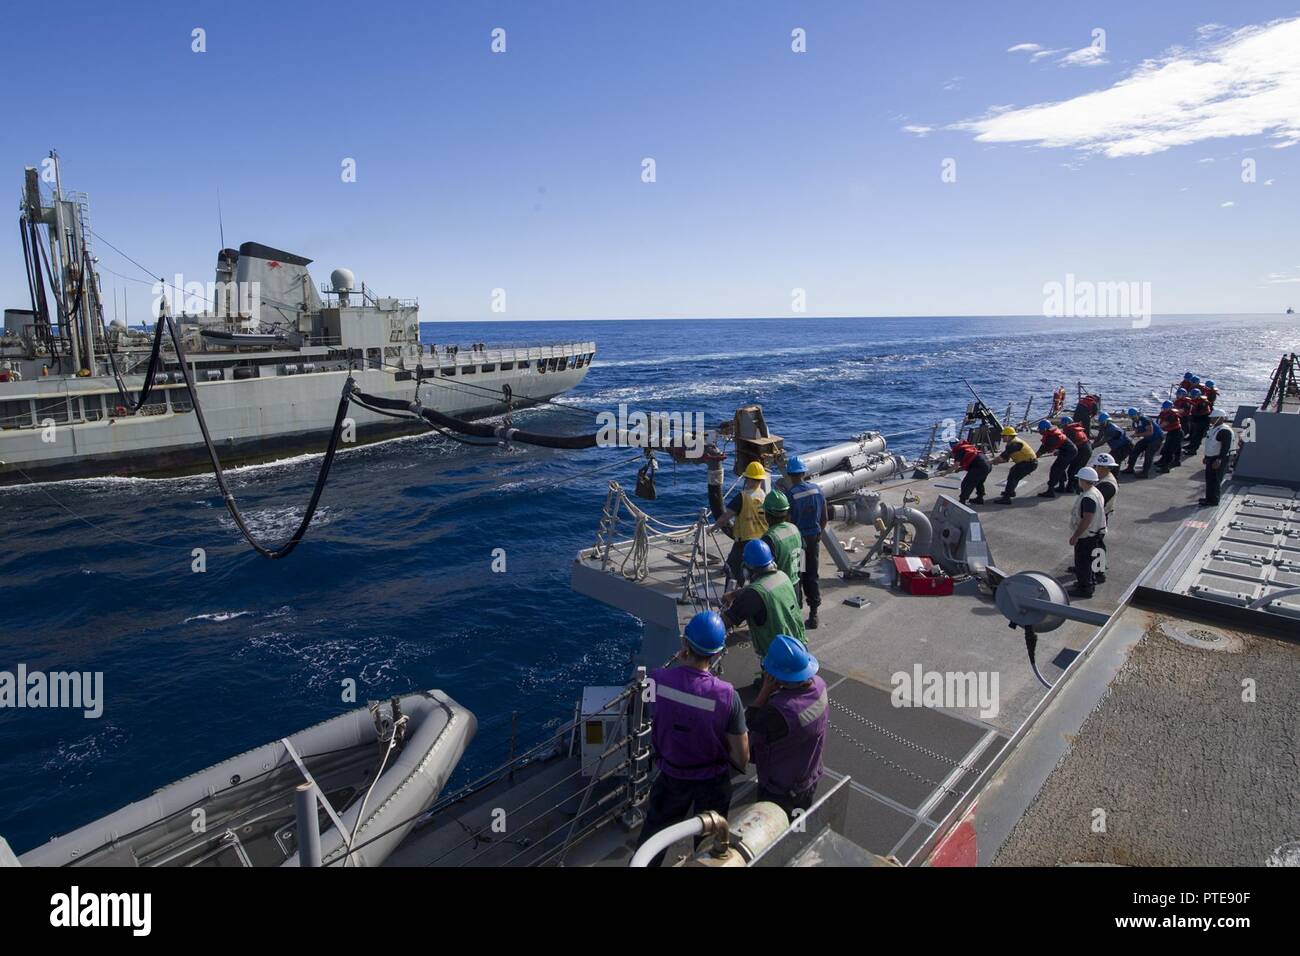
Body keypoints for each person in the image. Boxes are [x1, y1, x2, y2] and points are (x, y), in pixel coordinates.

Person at [635, 611, 749, 867]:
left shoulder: (656, 679)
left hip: (671, 775)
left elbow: (652, 707)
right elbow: (742, 756)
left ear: (685, 644)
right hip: (712, 780)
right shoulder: (728, 696)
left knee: (653, 838)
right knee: (712, 844)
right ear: (718, 653)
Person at [746, 635, 828, 819]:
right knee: (797, 827)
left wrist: (765, 691)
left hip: (779, 788)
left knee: (771, 830)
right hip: (809, 777)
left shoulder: (779, 711)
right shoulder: (820, 685)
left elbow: (748, 723)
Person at [721, 540, 806, 662]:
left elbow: (727, 620)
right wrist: (734, 594)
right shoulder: (782, 576)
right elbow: (761, 587)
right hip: (797, 643)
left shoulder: (753, 595)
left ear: (747, 569)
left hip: (779, 656)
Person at [784, 456, 827, 629]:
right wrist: (818, 533)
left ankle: (796, 614)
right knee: (812, 575)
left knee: (797, 576)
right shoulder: (817, 490)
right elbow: (824, 517)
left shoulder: (791, 495)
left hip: (797, 542)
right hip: (813, 539)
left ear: (789, 474)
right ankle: (814, 614)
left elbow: (787, 521)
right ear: (803, 472)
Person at [718, 461, 769, 583]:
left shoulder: (742, 497)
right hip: (762, 541)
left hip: (744, 542)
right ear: (761, 480)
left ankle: (731, 598)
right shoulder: (765, 496)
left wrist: (712, 528)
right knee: (756, 571)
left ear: (748, 479)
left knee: (732, 569)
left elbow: (725, 517)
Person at [1069, 466, 1108, 598]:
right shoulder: (1095, 491)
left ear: (1083, 480)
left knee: (1083, 562)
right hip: (1096, 532)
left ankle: (1085, 588)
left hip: (1088, 535)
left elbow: (1087, 518)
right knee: (1089, 560)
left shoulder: (1088, 497)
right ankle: (1087, 582)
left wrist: (1076, 535)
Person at [759, 490, 804, 607]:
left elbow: (764, 573)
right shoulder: (795, 529)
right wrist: (800, 580)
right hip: (795, 585)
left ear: (767, 514)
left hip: (779, 591)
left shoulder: (769, 538)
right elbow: (803, 556)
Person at [993, 425, 1038, 503]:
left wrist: (991, 462)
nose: (1002, 437)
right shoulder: (1012, 442)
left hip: (1029, 463)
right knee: (1013, 472)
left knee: (1013, 477)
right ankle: (1010, 492)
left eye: (1003, 436)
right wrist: (996, 461)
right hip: (1027, 462)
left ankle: (1006, 498)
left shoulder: (1014, 444)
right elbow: (1005, 459)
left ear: (1008, 436)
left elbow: (1002, 457)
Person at [1200, 408, 1235, 507]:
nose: (1211, 420)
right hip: (1211, 458)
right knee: (1209, 479)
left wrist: (1219, 460)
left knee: (1215, 480)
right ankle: (1208, 498)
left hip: (1218, 459)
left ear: (1220, 419)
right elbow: (1211, 444)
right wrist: (1206, 457)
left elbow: (1225, 447)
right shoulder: (1214, 428)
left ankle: (1213, 501)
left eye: (1214, 418)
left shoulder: (1224, 431)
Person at [1035, 418, 1076, 498]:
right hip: (1066, 450)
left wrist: (1035, 456)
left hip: (1069, 452)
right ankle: (1061, 486)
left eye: (1040, 429)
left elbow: (1044, 448)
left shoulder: (1052, 437)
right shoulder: (1050, 434)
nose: (1039, 431)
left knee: (1055, 469)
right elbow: (1044, 446)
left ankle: (1050, 491)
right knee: (1060, 468)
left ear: (1045, 429)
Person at [1122, 407, 1162, 478]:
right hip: (1148, 438)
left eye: (1134, 417)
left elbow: (1150, 432)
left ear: (1138, 414)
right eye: (1131, 417)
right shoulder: (1135, 421)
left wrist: (1137, 435)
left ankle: (1145, 473)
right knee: (1135, 449)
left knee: (1148, 454)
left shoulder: (1146, 420)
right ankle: (1130, 468)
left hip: (1156, 438)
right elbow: (1138, 429)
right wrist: (1135, 434)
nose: (1133, 419)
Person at [949, 439, 991, 505]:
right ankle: (980, 498)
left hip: (979, 466)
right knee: (979, 482)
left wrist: (945, 472)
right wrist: (958, 470)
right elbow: (969, 461)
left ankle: (962, 501)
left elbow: (956, 465)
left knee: (966, 483)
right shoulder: (967, 447)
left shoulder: (959, 450)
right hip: (987, 464)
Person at [1059, 416, 1093, 492]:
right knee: (1074, 469)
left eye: (1062, 425)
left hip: (1083, 451)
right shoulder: (1074, 429)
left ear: (1066, 424)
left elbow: (1068, 445)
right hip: (1085, 449)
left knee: (1073, 470)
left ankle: (1073, 487)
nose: (1062, 426)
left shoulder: (1070, 431)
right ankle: (1072, 486)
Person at [1154, 400, 1184, 471]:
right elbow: (1159, 421)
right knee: (1166, 448)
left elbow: (1164, 423)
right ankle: (1164, 461)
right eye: (1163, 408)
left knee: (1170, 450)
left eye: (1166, 408)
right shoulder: (1164, 413)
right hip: (1171, 432)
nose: (1164, 409)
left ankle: (1166, 467)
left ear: (1170, 407)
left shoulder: (1172, 414)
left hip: (1176, 433)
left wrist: (1156, 429)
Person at [1183, 388, 1212, 456]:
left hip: (1202, 421)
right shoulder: (1195, 400)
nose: (1192, 397)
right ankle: (1191, 445)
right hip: (1196, 420)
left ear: (1198, 395)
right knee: (1193, 434)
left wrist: (1192, 414)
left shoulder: (1203, 402)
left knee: (1197, 436)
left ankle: (1193, 450)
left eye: (1194, 395)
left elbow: (1200, 413)